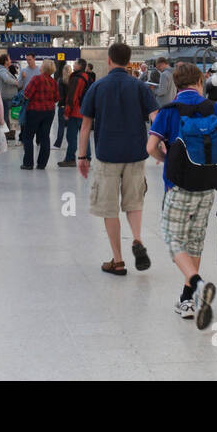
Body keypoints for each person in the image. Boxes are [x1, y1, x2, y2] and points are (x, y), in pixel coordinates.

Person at [147, 61, 217, 329]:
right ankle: (187, 299)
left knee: (173, 239)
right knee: (195, 241)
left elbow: (151, 146)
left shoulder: (169, 111)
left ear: (176, 84)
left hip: (177, 187)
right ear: (200, 82)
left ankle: (197, 286)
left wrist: (164, 158)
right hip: (208, 187)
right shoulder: (216, 108)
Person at [78, 42, 159, 276]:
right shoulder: (140, 86)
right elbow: (156, 118)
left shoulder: (98, 87)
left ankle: (118, 260)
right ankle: (137, 239)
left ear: (109, 60)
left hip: (107, 154)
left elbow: (85, 127)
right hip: (135, 154)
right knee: (134, 203)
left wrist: (82, 156)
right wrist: (159, 147)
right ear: (129, 59)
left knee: (109, 207)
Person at [20, 59, 59, 170]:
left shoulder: (36, 79)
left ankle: (28, 164)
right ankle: (42, 164)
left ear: (44, 67)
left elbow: (27, 94)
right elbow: (56, 98)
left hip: (35, 111)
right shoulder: (53, 82)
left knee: (28, 137)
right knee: (45, 137)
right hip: (49, 112)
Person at [57, 59, 90, 167]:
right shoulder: (87, 77)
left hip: (75, 112)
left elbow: (72, 96)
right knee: (84, 135)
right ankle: (87, 158)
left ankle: (70, 158)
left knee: (71, 136)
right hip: (84, 111)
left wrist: (67, 111)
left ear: (80, 66)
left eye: (75, 63)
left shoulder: (76, 78)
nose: (73, 65)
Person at [0, 53, 20, 140]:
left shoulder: (4, 69)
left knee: (8, 116)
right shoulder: (1, 70)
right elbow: (6, 79)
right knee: (7, 116)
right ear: (5, 61)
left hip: (8, 97)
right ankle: (7, 134)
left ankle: (9, 133)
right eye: (9, 59)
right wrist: (16, 82)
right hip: (6, 98)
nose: (10, 61)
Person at [53, 62, 72, 150]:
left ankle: (58, 143)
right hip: (71, 106)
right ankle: (71, 143)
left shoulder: (60, 80)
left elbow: (59, 94)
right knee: (70, 127)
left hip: (62, 106)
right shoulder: (73, 80)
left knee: (61, 125)